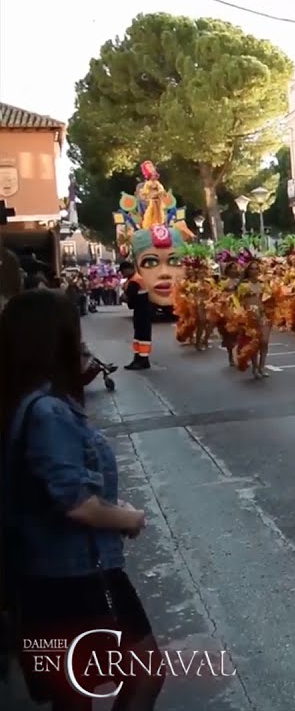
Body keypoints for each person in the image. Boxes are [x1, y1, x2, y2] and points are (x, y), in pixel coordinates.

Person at [1, 289, 163, 710]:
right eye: (75, 335)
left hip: (54, 572)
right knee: (142, 672)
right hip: (76, 575)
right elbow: (76, 503)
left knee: (75, 693)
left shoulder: (29, 403)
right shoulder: (48, 412)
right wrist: (127, 517)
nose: (83, 344)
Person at [120, 260, 152, 370]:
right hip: (143, 311)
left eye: (123, 272)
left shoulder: (134, 281)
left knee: (141, 337)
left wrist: (124, 298)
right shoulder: (135, 278)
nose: (122, 274)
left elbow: (131, 300)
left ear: (128, 269)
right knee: (141, 337)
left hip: (141, 312)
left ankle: (140, 361)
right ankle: (142, 360)